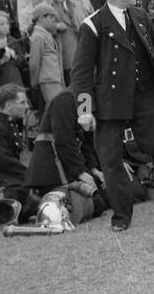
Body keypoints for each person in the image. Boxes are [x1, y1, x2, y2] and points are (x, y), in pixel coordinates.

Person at [72, 0, 154, 230]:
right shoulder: (92, 26)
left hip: (144, 94)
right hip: (111, 103)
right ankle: (121, 217)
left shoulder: (141, 15)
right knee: (110, 160)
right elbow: (81, 72)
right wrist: (84, 110)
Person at [26, 87, 107, 220]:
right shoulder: (63, 100)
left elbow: (84, 139)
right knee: (99, 204)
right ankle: (42, 206)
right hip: (51, 169)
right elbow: (63, 140)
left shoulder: (83, 100)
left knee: (109, 195)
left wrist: (94, 169)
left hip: (68, 164)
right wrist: (81, 172)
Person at [28, 2, 66, 108]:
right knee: (57, 108)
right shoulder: (38, 36)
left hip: (54, 79)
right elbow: (34, 63)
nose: (54, 20)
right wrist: (34, 82)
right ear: (41, 18)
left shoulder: (45, 34)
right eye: (51, 17)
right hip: (48, 80)